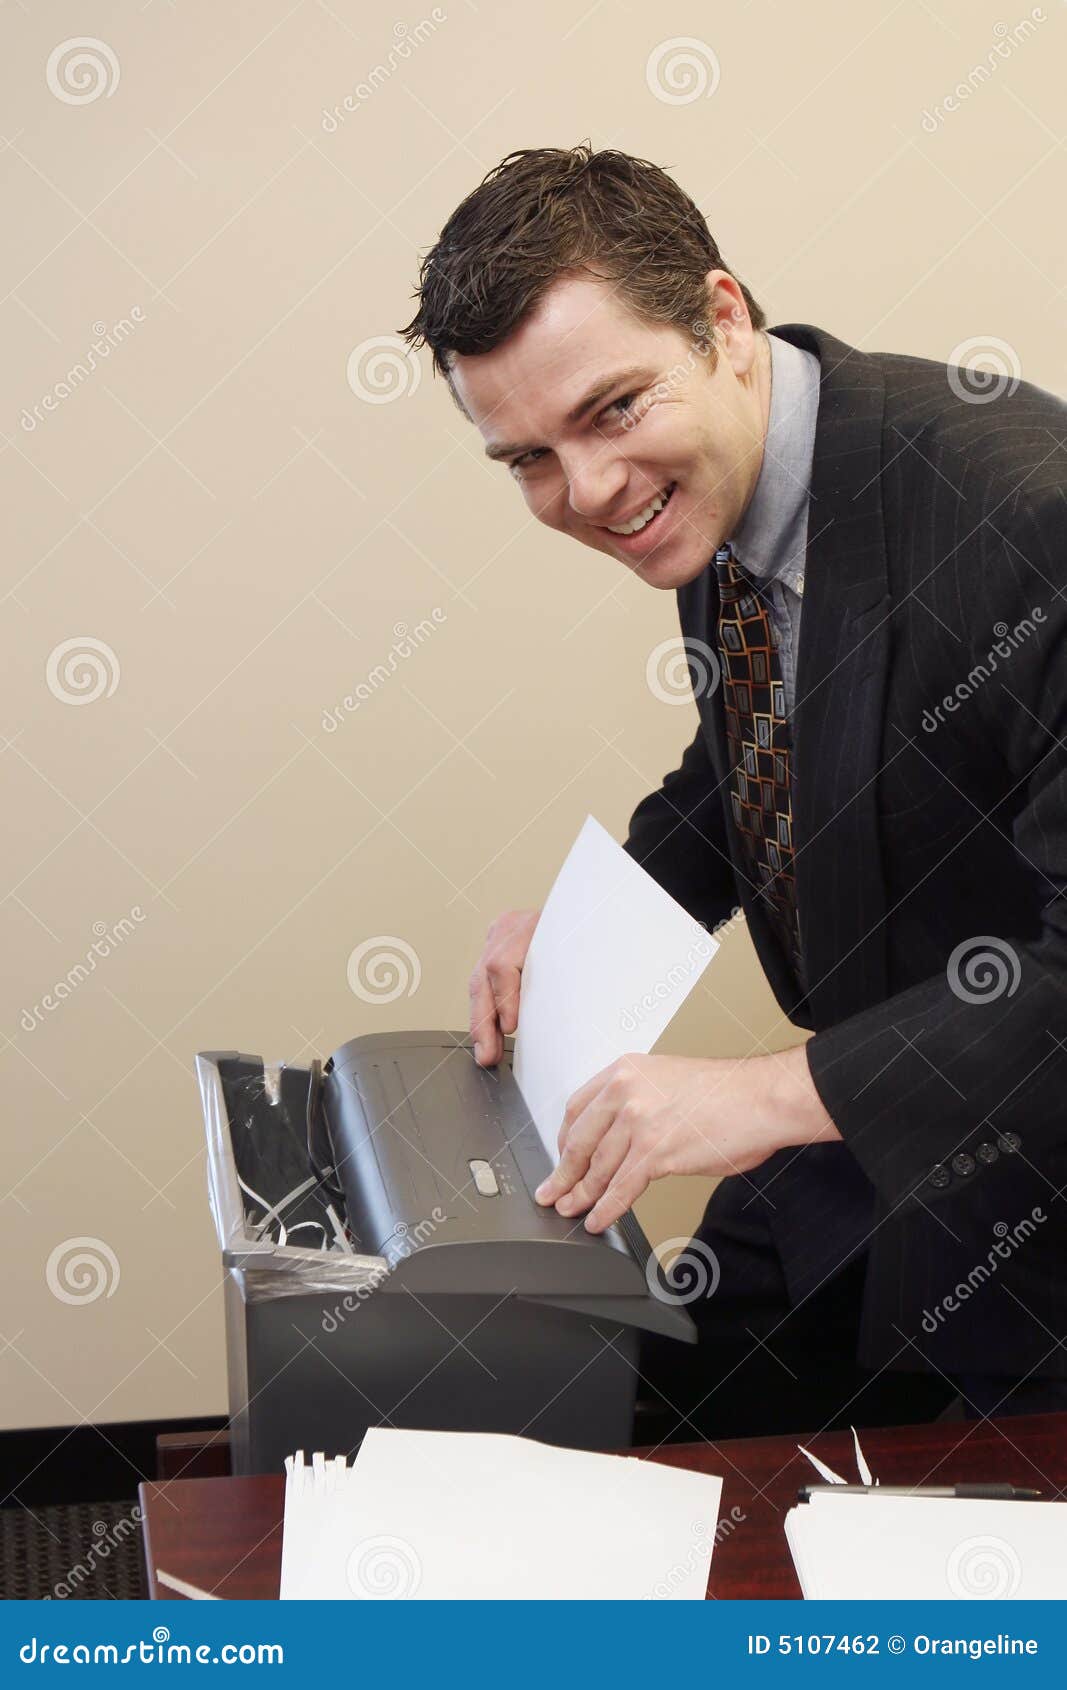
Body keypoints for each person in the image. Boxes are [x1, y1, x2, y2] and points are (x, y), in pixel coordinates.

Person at [399, 143, 1067, 1438]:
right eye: (527, 457)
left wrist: (754, 1097)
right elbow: (756, 756)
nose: (588, 492)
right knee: (615, 1411)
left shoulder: (1028, 520)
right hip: (869, 1147)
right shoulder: (723, 485)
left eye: (611, 410)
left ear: (722, 320)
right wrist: (590, 925)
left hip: (1038, 1208)